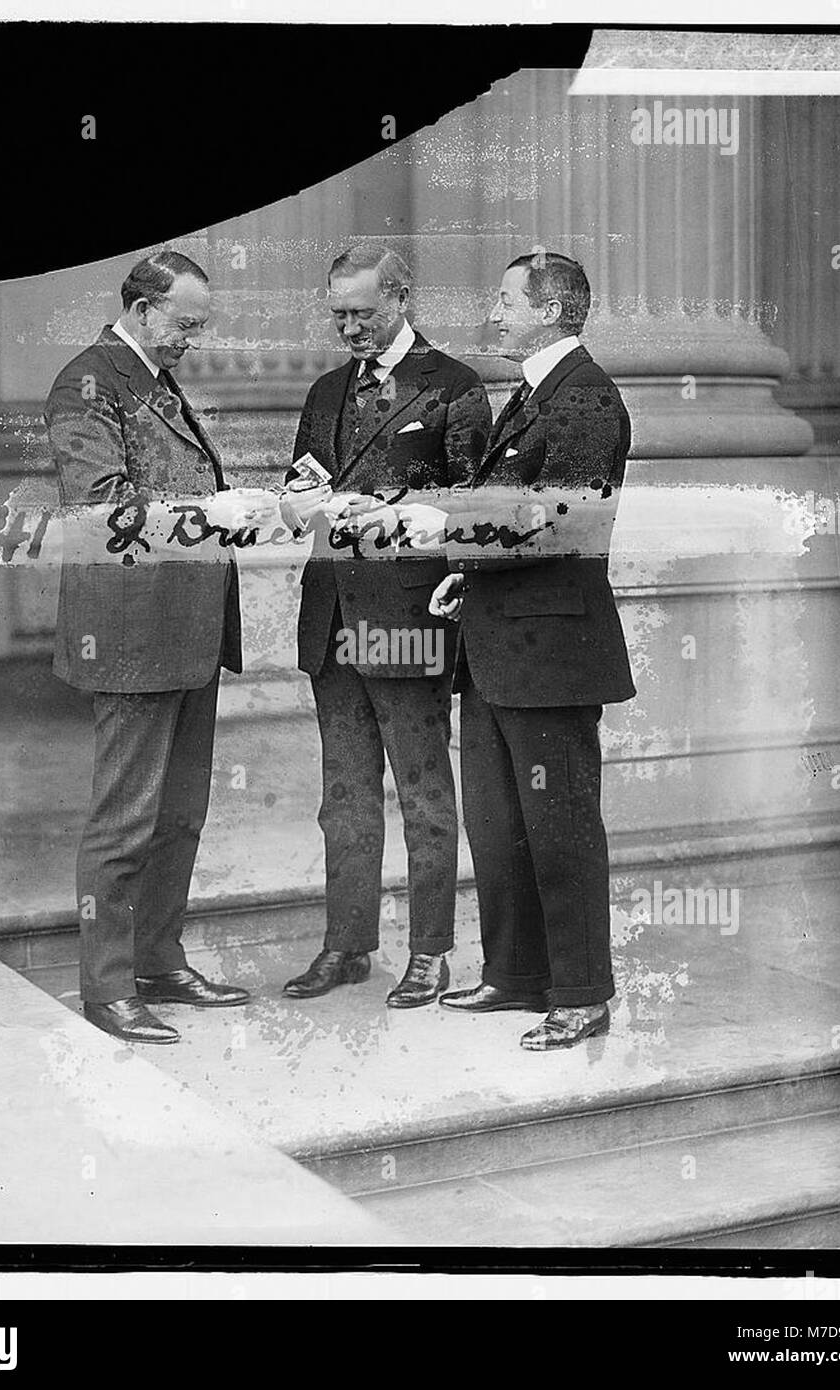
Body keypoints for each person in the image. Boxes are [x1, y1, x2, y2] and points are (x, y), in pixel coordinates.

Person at [430, 252, 635, 1050]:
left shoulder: (583, 398)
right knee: (498, 820)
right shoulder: (535, 395)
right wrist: (464, 576)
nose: (496, 312)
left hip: (550, 649)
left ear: (550, 311)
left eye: (508, 299)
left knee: (559, 826)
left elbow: (561, 523)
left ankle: (581, 992)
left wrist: (448, 535)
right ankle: (516, 976)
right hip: (500, 639)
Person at [46, 250, 251, 1045]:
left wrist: (235, 510)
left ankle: (159, 960)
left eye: (199, 327)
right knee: (125, 818)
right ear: (139, 308)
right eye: (183, 325)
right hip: (133, 633)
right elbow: (103, 510)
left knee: (178, 815)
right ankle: (106, 986)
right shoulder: (89, 380)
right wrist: (216, 512)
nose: (191, 341)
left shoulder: (151, 378)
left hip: (186, 628)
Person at [282, 245, 491, 1007]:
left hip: (406, 616)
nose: (348, 329)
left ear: (402, 298)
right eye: (337, 315)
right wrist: (295, 501)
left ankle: (430, 952)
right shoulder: (325, 388)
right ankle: (346, 945)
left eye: (362, 313)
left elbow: (473, 512)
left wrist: (398, 517)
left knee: (422, 792)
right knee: (343, 795)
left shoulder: (453, 388)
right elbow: (298, 483)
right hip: (332, 612)